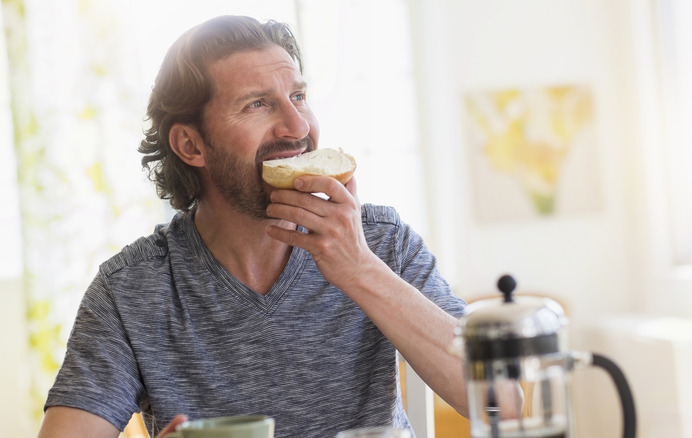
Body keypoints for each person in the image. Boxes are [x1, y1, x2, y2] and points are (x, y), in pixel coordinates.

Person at [37, 15, 468, 438]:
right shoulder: (130, 289)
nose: (298, 127)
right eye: (257, 104)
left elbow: (499, 397)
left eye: (298, 96)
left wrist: (359, 268)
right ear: (191, 145)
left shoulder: (380, 241)